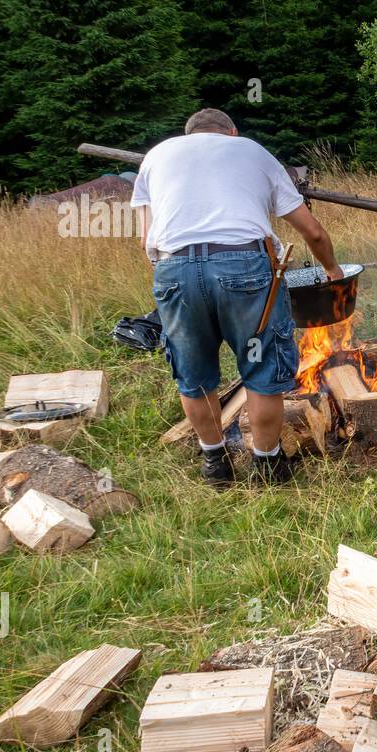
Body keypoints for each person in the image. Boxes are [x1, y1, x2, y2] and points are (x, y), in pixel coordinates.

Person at [131, 108, 344, 486]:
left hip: (173, 268)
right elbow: (312, 232)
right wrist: (332, 272)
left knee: (194, 375)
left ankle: (215, 463)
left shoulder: (156, 156)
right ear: (231, 132)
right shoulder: (252, 151)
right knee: (260, 366)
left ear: (188, 134)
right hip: (244, 265)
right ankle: (267, 465)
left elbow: (147, 241)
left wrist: (177, 284)